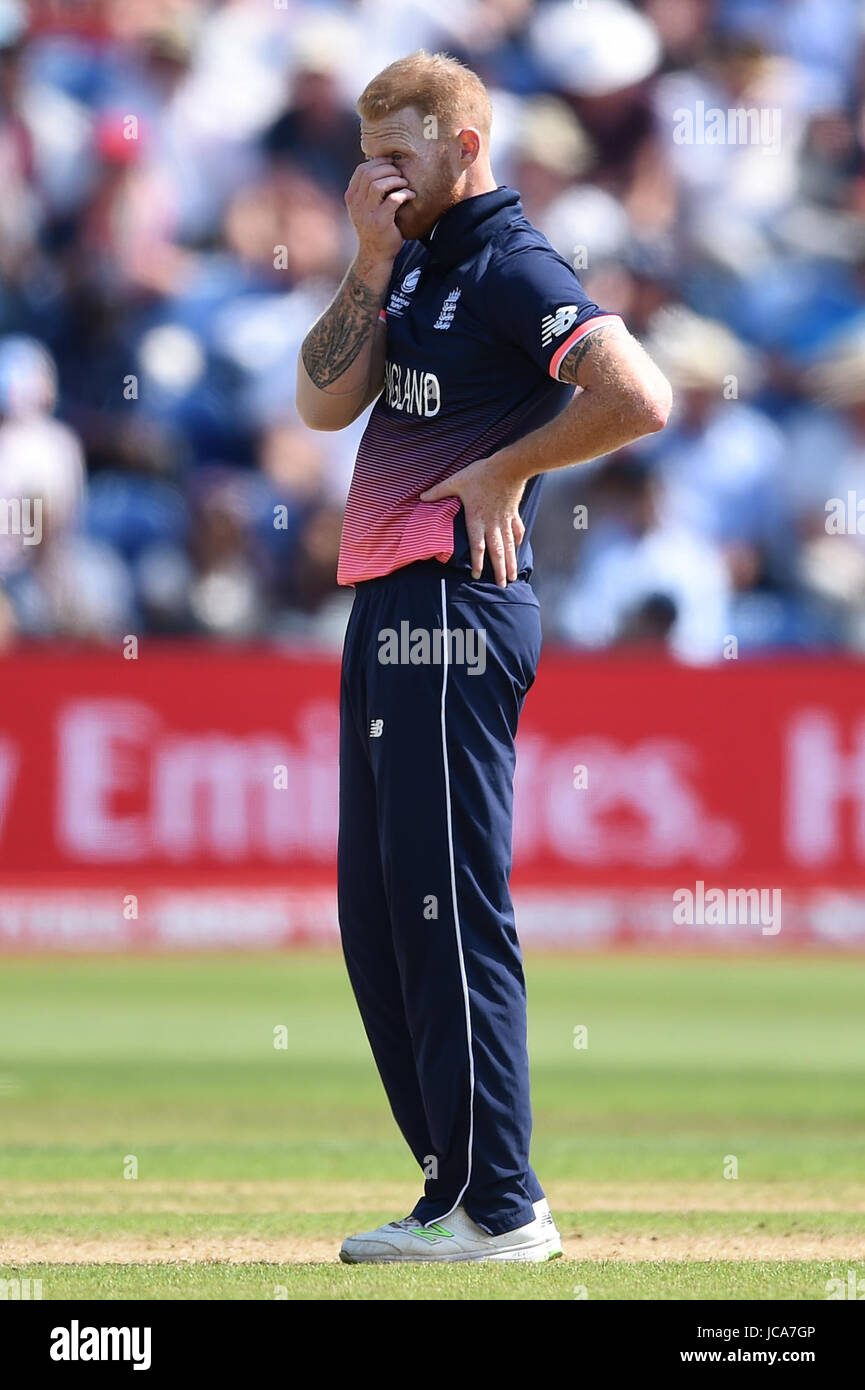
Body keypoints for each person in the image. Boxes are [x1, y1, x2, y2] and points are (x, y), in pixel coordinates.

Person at [296, 50, 672, 1263]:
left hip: (458, 606)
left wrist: (508, 467)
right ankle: (448, 1189)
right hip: (386, 598)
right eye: (364, 156)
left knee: (448, 903)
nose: (377, 177)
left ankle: (501, 1206)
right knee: (378, 914)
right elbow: (320, 403)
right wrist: (367, 258)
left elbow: (641, 395)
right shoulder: (408, 260)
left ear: (463, 146)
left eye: (396, 154)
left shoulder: (512, 262)